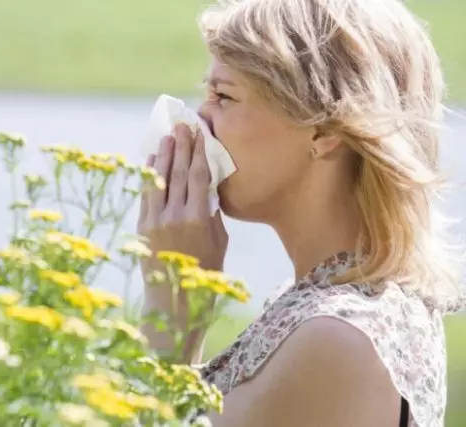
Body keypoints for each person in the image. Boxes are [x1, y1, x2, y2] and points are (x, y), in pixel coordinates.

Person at [137, 0, 466, 426]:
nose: (200, 117)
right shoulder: (328, 306)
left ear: (326, 129)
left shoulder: (337, 337)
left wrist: (172, 307)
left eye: (224, 96)